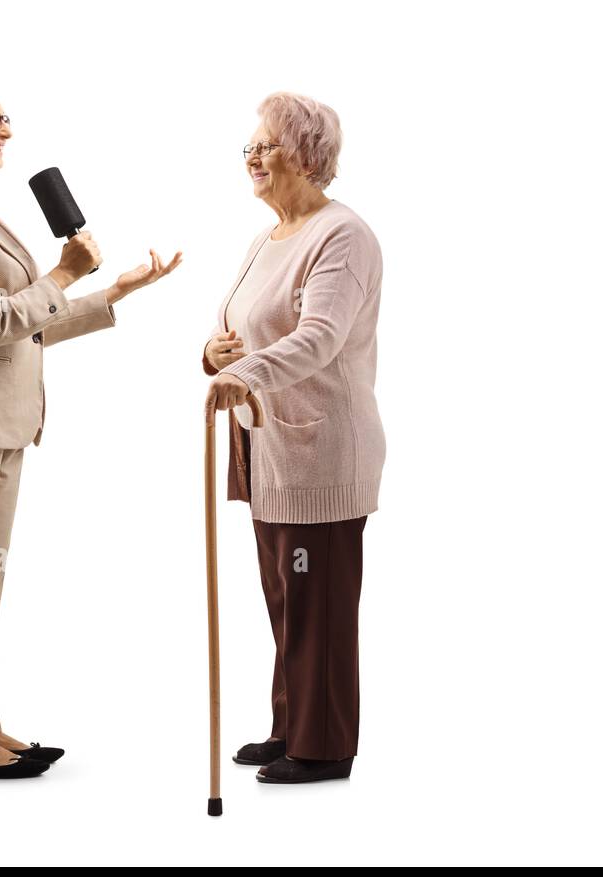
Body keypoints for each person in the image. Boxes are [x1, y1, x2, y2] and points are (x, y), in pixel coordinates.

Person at [0, 76, 181, 779]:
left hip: (8, 421)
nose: (7, 129)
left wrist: (111, 292)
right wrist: (63, 270)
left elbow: (28, 326)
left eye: (7, 117)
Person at [203, 92, 385, 784]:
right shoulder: (269, 237)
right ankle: (291, 727)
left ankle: (325, 744)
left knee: (318, 602)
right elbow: (245, 326)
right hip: (268, 442)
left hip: (320, 449)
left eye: (266, 146)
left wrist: (244, 370)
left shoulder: (343, 236)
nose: (251, 157)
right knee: (288, 598)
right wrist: (216, 355)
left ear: (307, 157)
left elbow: (319, 337)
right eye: (248, 146)